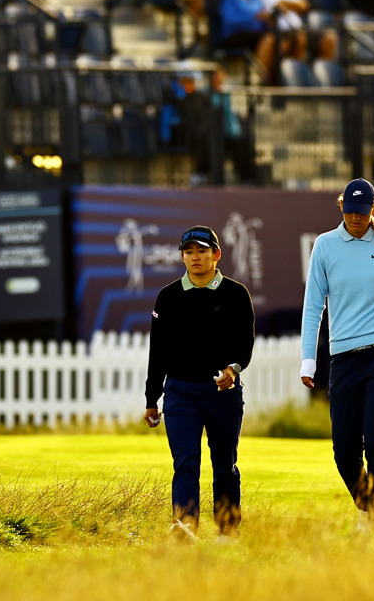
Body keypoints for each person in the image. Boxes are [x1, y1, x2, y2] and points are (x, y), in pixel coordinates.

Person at [300, 179, 374, 530]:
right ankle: (367, 506)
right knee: (344, 451)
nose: (356, 217)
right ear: (341, 208)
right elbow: (313, 308)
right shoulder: (324, 246)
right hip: (343, 358)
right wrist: (309, 358)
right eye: (350, 210)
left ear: (373, 208)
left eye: (363, 210)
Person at [144, 225, 255, 540]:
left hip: (223, 392)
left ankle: (228, 530)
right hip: (180, 393)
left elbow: (244, 345)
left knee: (224, 463)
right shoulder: (168, 297)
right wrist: (152, 400)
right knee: (186, 462)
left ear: (216, 255)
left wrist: (233, 370)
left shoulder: (236, 294)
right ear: (182, 256)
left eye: (202, 251)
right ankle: (185, 526)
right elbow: (158, 354)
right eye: (189, 251)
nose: (195, 257)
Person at [216, 0, 276, 82]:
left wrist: (267, 19)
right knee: (268, 39)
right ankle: (259, 77)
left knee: (279, 37)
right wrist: (254, 17)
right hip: (234, 35)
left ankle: (273, 76)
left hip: (255, 32)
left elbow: (262, 13)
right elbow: (229, 18)